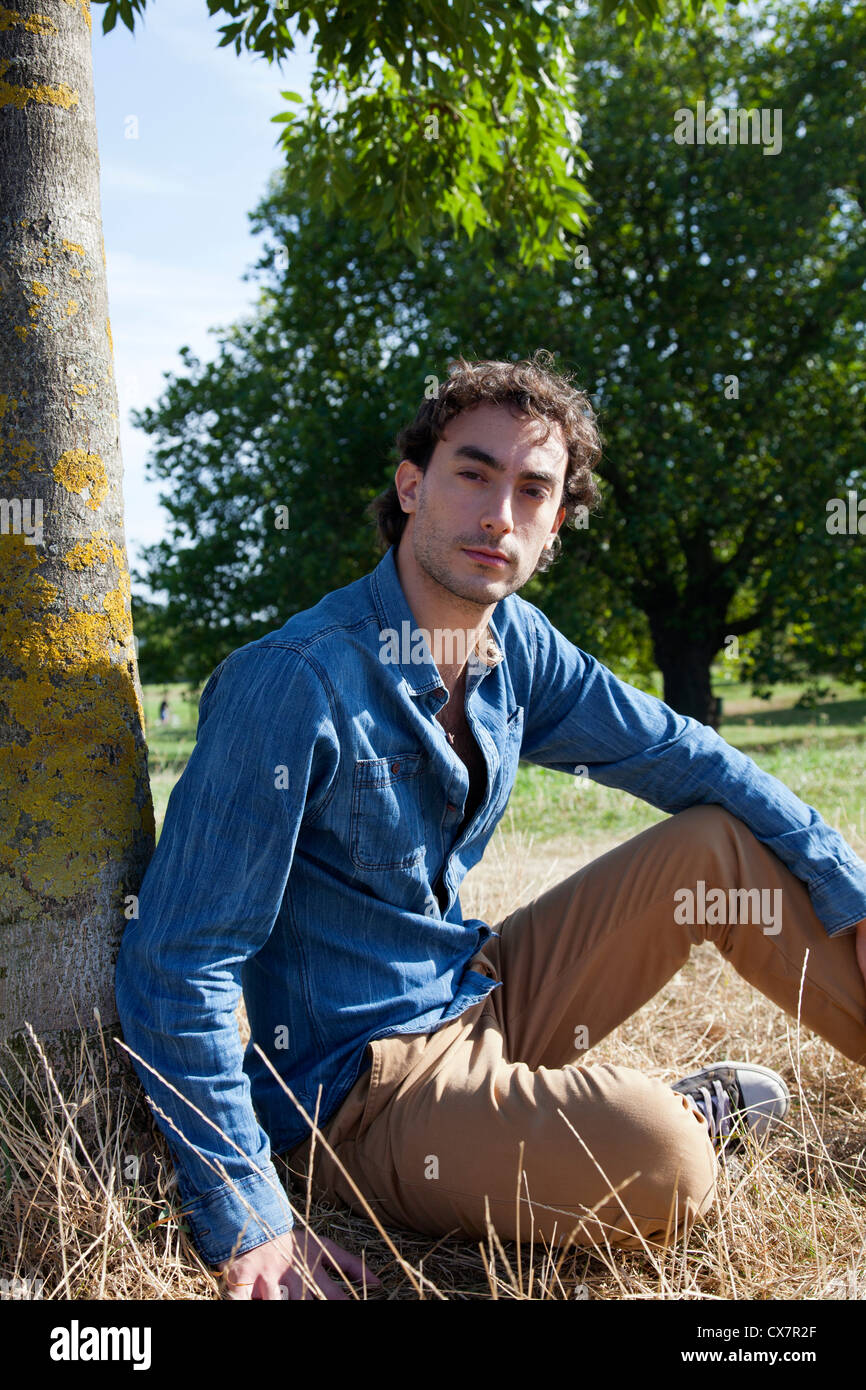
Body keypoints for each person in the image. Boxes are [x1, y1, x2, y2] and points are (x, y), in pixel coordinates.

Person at [115, 351, 866, 1301]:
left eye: (532, 490)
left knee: (715, 847)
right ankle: (663, 1113)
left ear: (554, 526)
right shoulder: (294, 683)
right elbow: (176, 960)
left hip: (476, 995)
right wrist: (245, 1214)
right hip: (356, 1092)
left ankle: (560, 1116)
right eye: (473, 473)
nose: (498, 514)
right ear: (413, 485)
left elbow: (692, 758)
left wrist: (847, 887)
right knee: (668, 1161)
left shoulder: (519, 648)